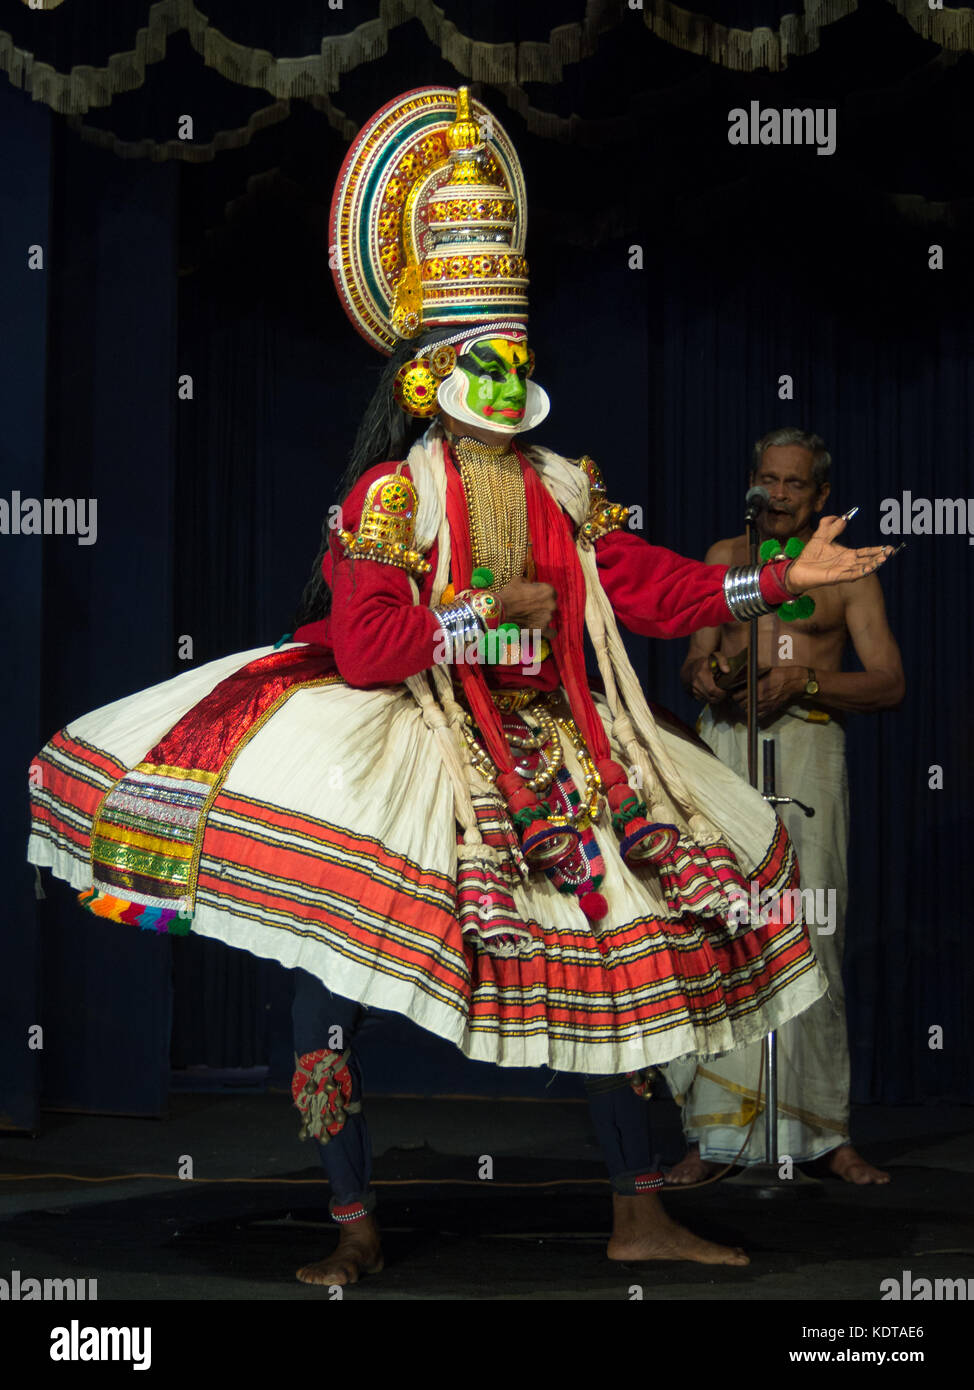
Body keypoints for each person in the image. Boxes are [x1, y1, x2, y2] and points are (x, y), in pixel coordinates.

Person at [26, 89, 894, 1285]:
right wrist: (488, 613)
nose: (509, 369)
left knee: (616, 958)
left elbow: (646, 588)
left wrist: (779, 580)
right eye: (485, 356)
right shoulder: (391, 496)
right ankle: (351, 1219)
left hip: (555, 747)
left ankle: (636, 1212)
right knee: (327, 972)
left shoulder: (559, 485)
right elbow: (373, 645)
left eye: (518, 352)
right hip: (415, 741)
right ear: (432, 375)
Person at [665, 428, 904, 1188]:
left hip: (807, 749)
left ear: (821, 496)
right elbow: (694, 654)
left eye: (793, 484)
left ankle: (826, 1132)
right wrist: (702, 671)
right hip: (725, 747)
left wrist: (804, 685)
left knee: (811, 929)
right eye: (766, 480)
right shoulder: (722, 561)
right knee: (717, 926)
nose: (776, 494)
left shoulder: (848, 573)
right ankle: (712, 1134)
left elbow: (889, 683)